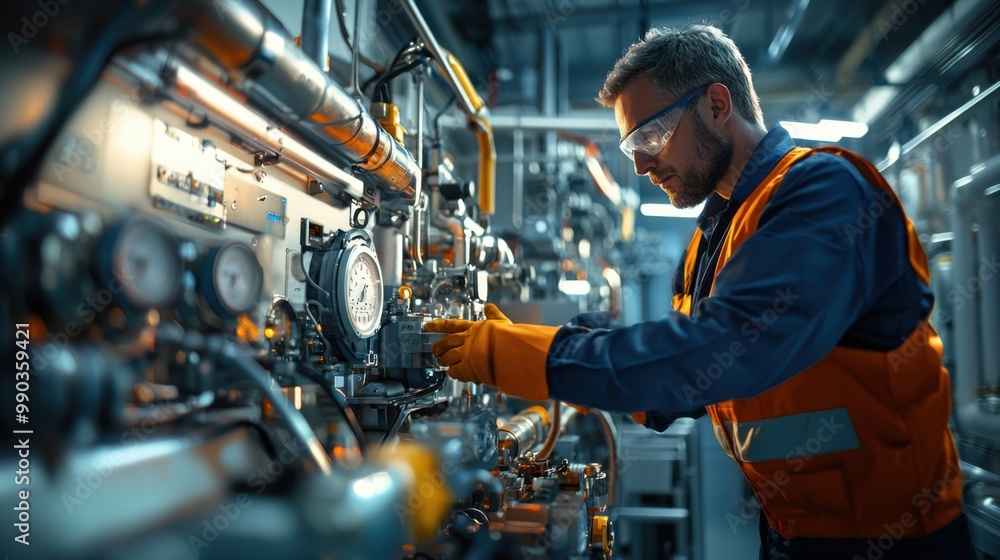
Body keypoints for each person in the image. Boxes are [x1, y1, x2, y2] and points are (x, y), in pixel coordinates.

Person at [423, 24, 977, 559]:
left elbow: (720, 350)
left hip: (899, 539)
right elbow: (675, 386)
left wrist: (515, 356)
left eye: (650, 136)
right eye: (630, 145)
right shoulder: (710, 242)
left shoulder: (824, 192)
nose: (639, 165)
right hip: (791, 530)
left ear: (717, 103)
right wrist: (532, 339)